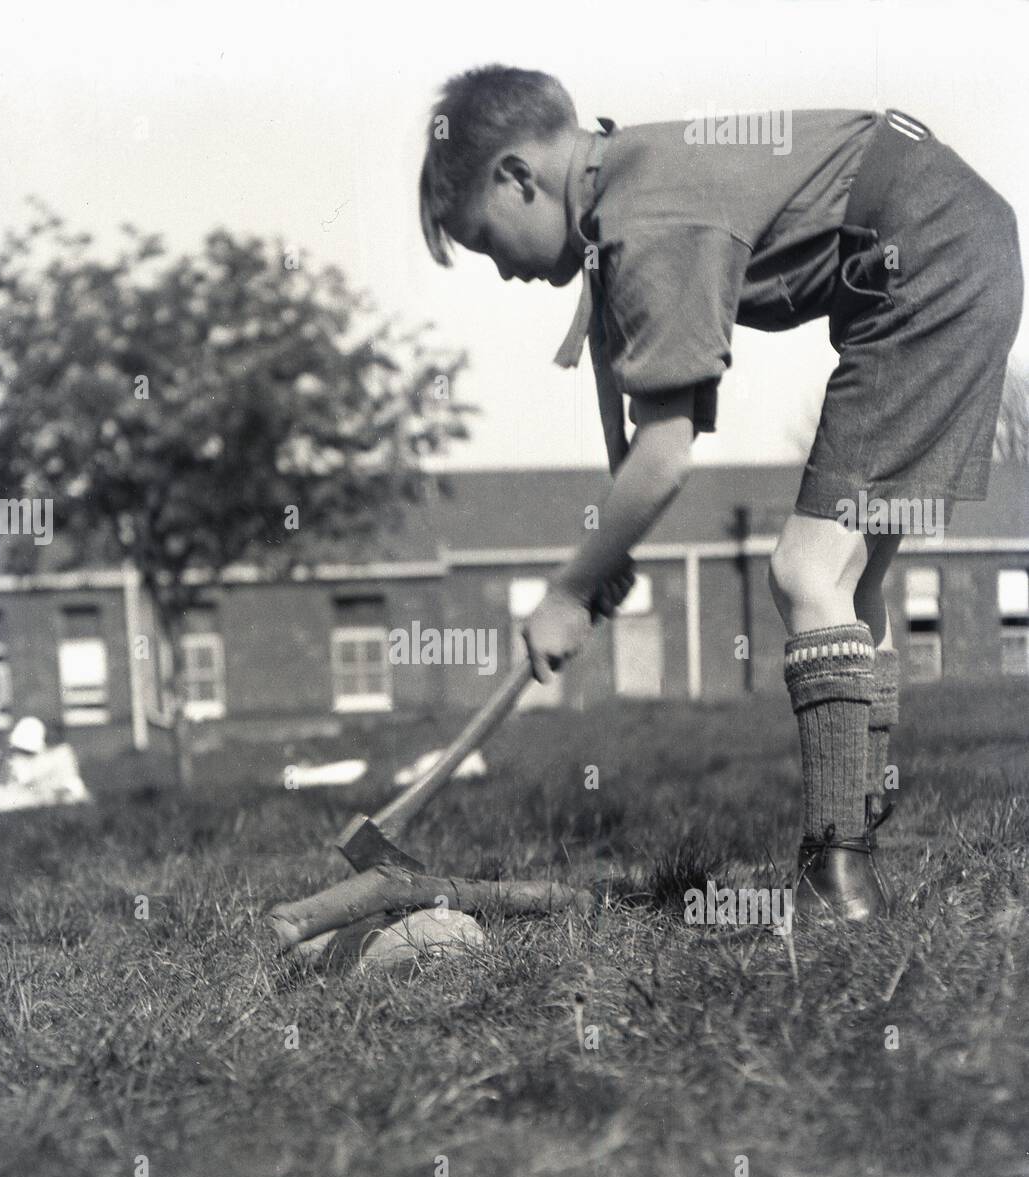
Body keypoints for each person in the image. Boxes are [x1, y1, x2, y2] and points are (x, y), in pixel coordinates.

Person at [418, 66, 1022, 923]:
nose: (503, 272)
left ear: (517, 177)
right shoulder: (622, 194)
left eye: (485, 241)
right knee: (848, 580)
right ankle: (855, 835)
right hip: (948, 243)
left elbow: (665, 457)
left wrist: (566, 588)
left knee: (804, 571)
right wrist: (607, 560)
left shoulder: (643, 219)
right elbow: (636, 432)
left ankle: (837, 876)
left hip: (929, 256)